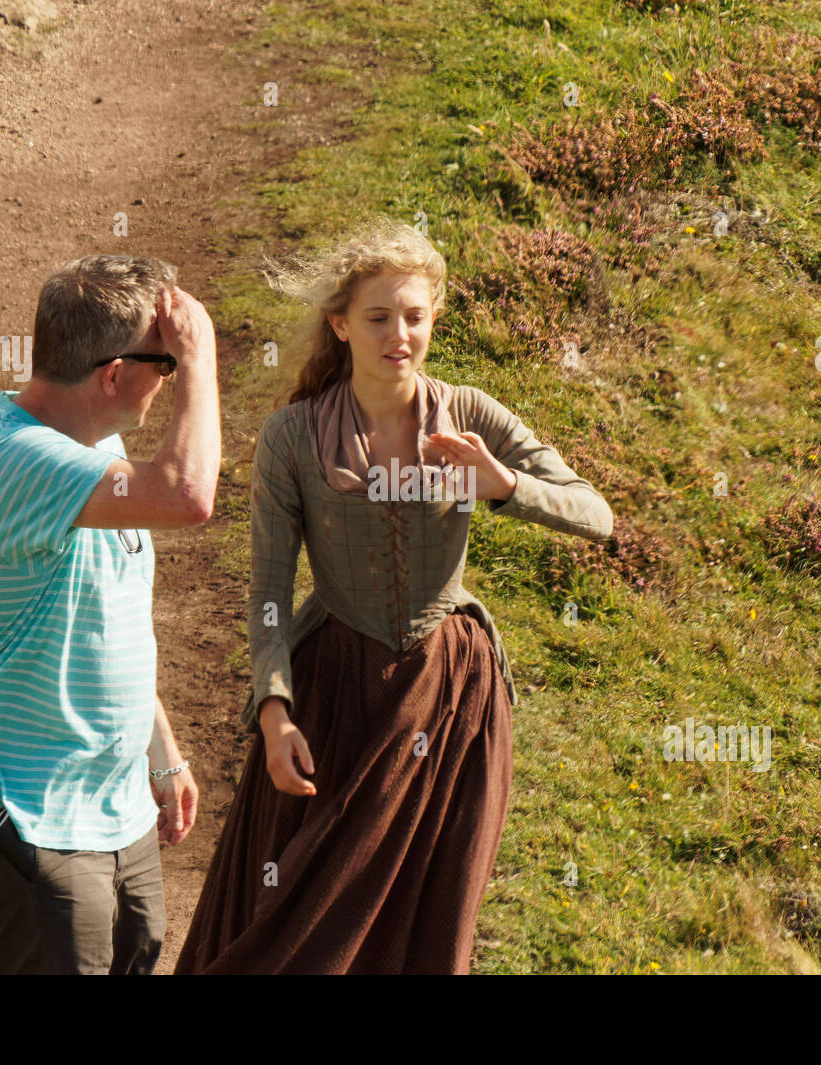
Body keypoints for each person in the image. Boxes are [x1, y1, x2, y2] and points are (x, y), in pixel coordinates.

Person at [175, 220, 613, 974]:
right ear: (341, 324)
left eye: (414, 315)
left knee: (427, 933)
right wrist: (274, 714)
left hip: (453, 699)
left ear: (434, 316)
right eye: (378, 317)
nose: (398, 334)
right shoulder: (293, 437)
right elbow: (271, 593)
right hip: (333, 696)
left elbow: (596, 514)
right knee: (301, 930)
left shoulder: (470, 415)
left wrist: (504, 485)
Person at [0, 254, 221, 974]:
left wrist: (161, 748)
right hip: (30, 809)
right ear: (113, 373)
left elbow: (104, 616)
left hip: (113, 803)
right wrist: (204, 353)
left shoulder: (94, 445)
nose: (171, 377)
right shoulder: (17, 462)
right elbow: (188, 495)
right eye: (167, 365)